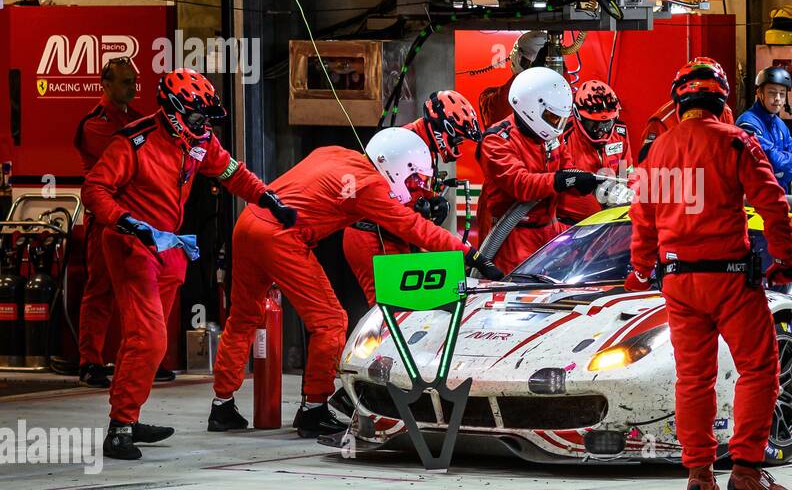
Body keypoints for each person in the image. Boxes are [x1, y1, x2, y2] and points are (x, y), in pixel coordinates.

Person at [208, 127, 501, 437]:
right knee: (331, 322)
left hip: (249, 222)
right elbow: (413, 227)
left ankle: (222, 405)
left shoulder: (335, 152)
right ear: (398, 166)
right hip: (280, 238)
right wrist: (470, 254)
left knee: (243, 318)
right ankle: (314, 409)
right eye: (414, 181)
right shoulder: (369, 186)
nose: (417, 189)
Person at [83, 68, 292, 460]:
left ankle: (126, 417)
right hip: (131, 244)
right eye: (197, 117)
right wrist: (125, 221)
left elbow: (232, 172)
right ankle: (120, 429)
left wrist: (269, 199)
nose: (203, 125)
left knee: (144, 341)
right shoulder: (133, 142)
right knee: (149, 339)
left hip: (170, 246)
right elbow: (94, 189)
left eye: (206, 118)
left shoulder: (200, 142)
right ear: (174, 110)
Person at [626, 57, 792, 490]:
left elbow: (642, 221)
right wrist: (782, 257)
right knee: (758, 369)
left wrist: (640, 269)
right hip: (732, 280)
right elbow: (774, 204)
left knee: (693, 378)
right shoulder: (738, 143)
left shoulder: (654, 152)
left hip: (679, 284)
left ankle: (699, 473)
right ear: (721, 98)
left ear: (678, 101)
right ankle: (746, 468)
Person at [342, 90, 486, 307]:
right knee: (390, 309)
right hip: (372, 234)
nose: (457, 146)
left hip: (396, 234)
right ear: (442, 129)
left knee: (411, 306)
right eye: (456, 138)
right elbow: (387, 201)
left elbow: (415, 189)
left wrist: (433, 199)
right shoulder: (399, 145)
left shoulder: (426, 145)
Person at [478, 67, 599, 274]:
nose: (558, 126)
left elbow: (567, 167)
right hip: (513, 239)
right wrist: (563, 181)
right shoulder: (496, 140)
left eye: (561, 119)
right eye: (553, 118)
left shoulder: (551, 136)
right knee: (517, 299)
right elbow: (521, 184)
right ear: (531, 108)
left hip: (550, 234)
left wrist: (588, 183)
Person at [72, 58, 146, 387]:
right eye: (126, 82)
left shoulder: (138, 119)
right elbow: (124, 166)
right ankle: (90, 362)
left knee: (141, 290)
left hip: (137, 218)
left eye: (134, 81)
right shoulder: (96, 124)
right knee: (100, 290)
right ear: (106, 84)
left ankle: (143, 357)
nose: (133, 87)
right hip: (107, 220)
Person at [557, 80, 633, 225]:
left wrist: (627, 193)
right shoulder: (563, 137)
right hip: (570, 223)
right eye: (593, 124)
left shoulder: (620, 133)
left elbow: (626, 173)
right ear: (579, 116)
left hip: (610, 220)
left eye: (606, 123)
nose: (601, 130)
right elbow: (557, 184)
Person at [736, 66, 792, 192]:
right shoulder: (747, 122)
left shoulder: (780, 125)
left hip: (780, 197)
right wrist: (784, 167)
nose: (778, 98)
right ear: (759, 93)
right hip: (754, 199)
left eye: (782, 93)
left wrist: (779, 170)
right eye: (772, 92)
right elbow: (769, 159)